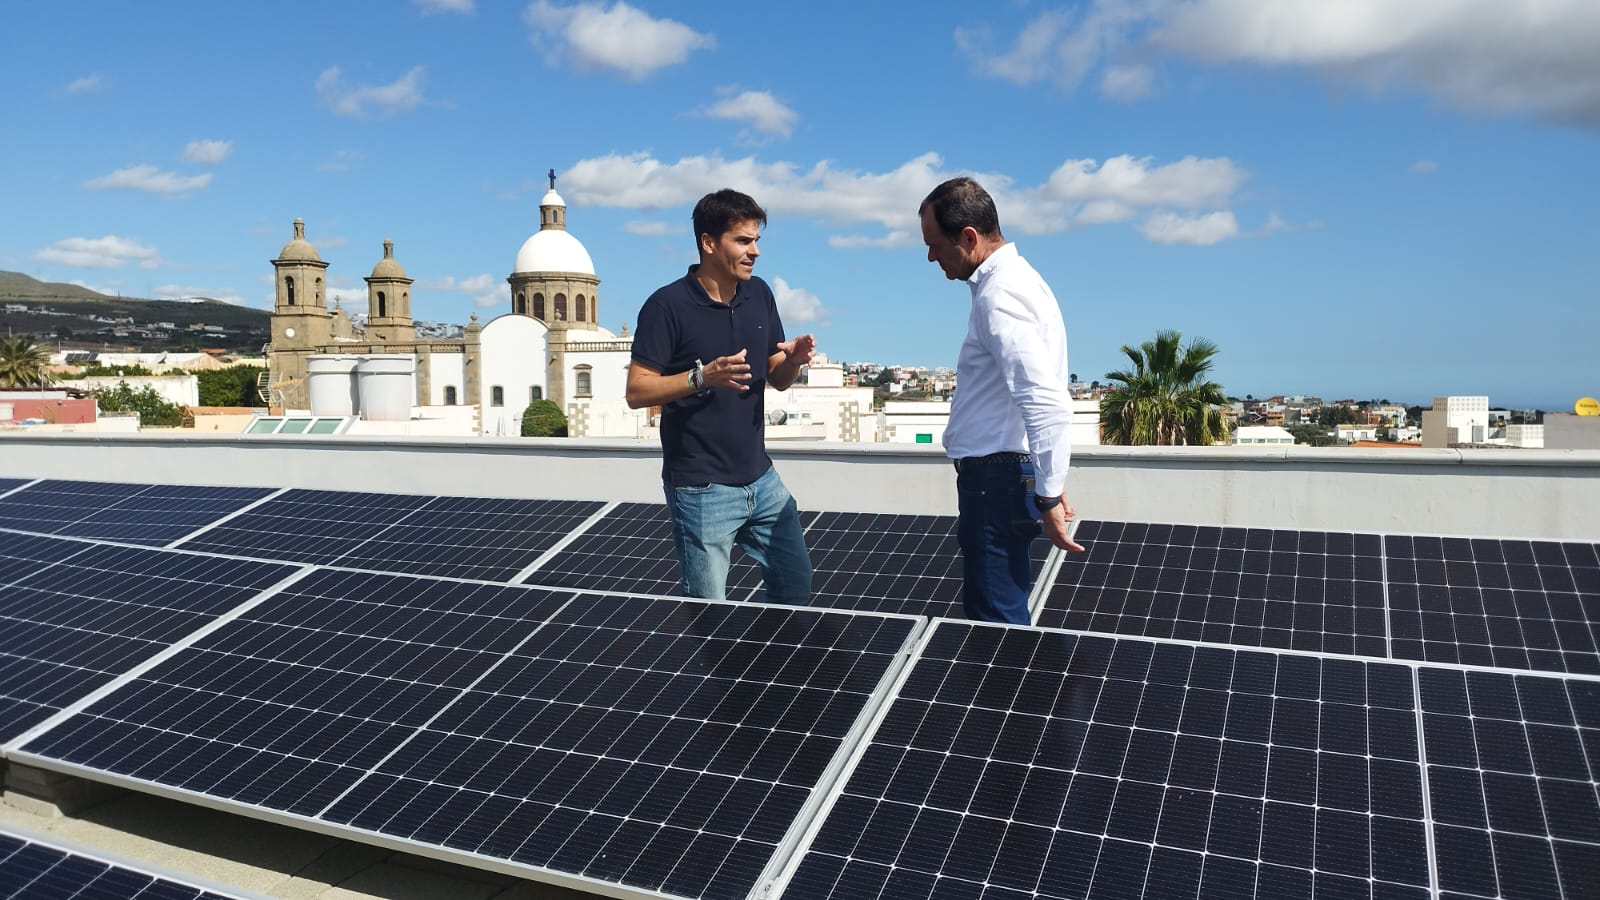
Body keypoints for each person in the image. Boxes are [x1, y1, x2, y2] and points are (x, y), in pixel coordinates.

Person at [626, 189, 815, 603]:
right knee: (708, 613)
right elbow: (637, 391)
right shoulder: (666, 306)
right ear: (709, 243)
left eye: (757, 241)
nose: (755, 251)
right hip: (701, 489)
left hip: (762, 481)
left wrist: (794, 361)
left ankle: (775, 667)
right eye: (743, 241)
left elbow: (776, 378)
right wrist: (701, 378)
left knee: (796, 588)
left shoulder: (759, 294)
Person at [919, 176, 1085, 624]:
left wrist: (1048, 495)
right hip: (1007, 474)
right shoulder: (1019, 282)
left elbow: (1046, 402)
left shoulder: (1001, 295)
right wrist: (1045, 477)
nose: (932, 257)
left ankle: (1006, 695)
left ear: (969, 237)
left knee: (995, 621)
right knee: (1000, 609)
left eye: (935, 245)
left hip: (994, 482)